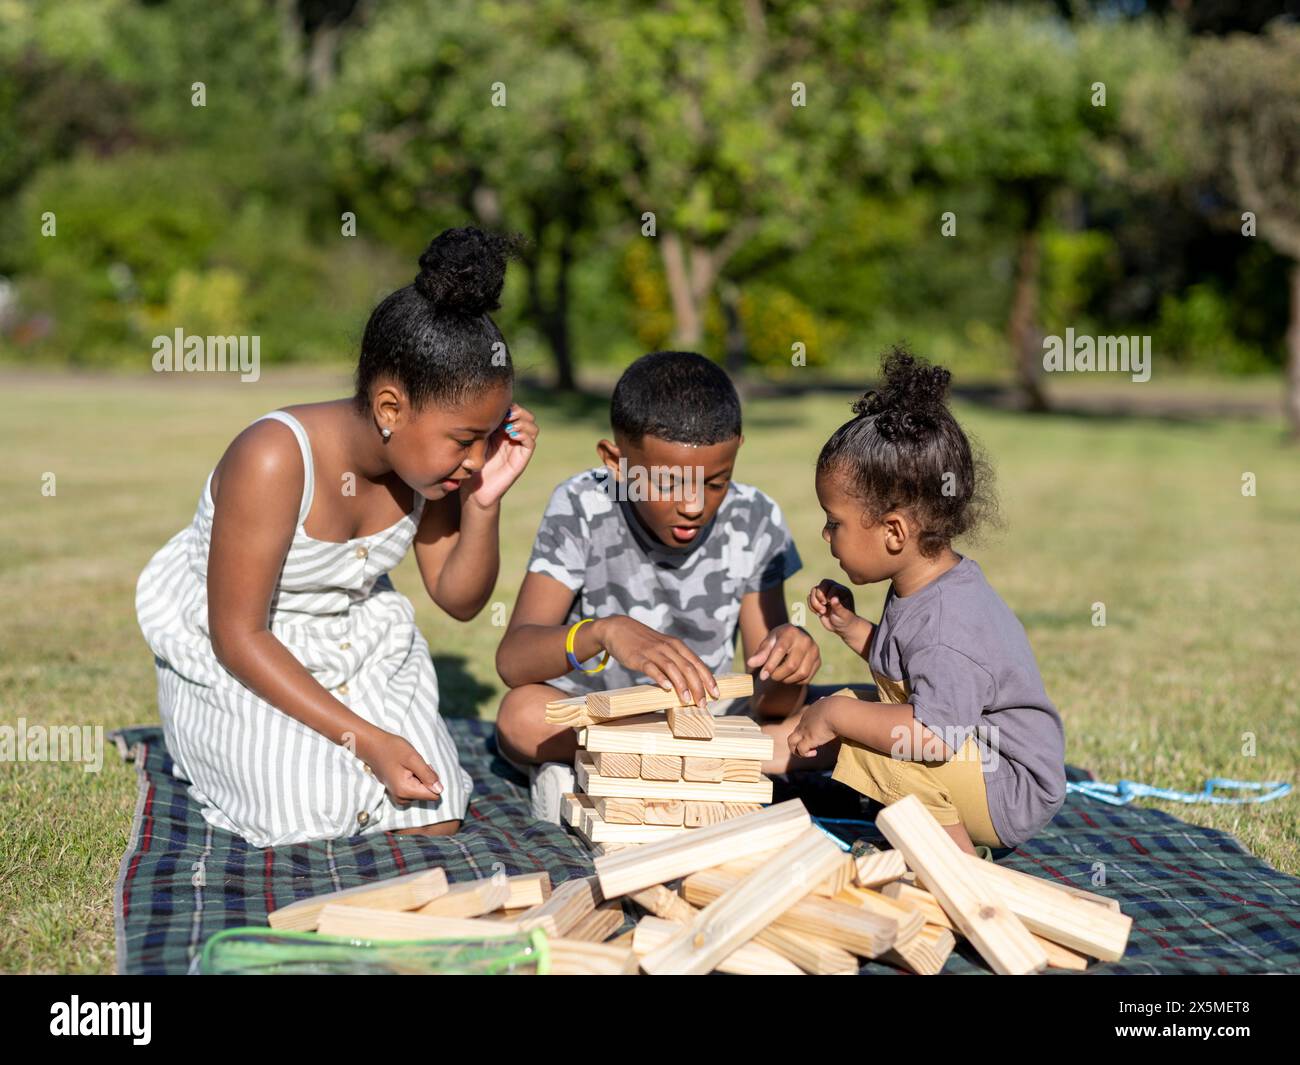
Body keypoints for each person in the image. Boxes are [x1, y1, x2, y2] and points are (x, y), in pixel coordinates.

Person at [136, 227, 536, 847]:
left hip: (357, 637)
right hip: (249, 651)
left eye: (490, 438)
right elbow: (237, 635)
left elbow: (459, 600)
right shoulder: (272, 458)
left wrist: (483, 503)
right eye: (465, 440)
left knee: (435, 806)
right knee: (309, 812)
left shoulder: (427, 469)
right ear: (389, 408)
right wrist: (367, 739)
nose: (479, 459)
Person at [789, 347, 1066, 854]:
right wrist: (853, 628)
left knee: (866, 738)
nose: (825, 534)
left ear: (894, 531)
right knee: (859, 716)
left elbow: (932, 735)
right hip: (979, 761)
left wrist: (833, 714)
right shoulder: (925, 583)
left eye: (835, 522)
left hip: (1006, 787)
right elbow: (909, 666)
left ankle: (955, 867)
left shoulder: (947, 623)